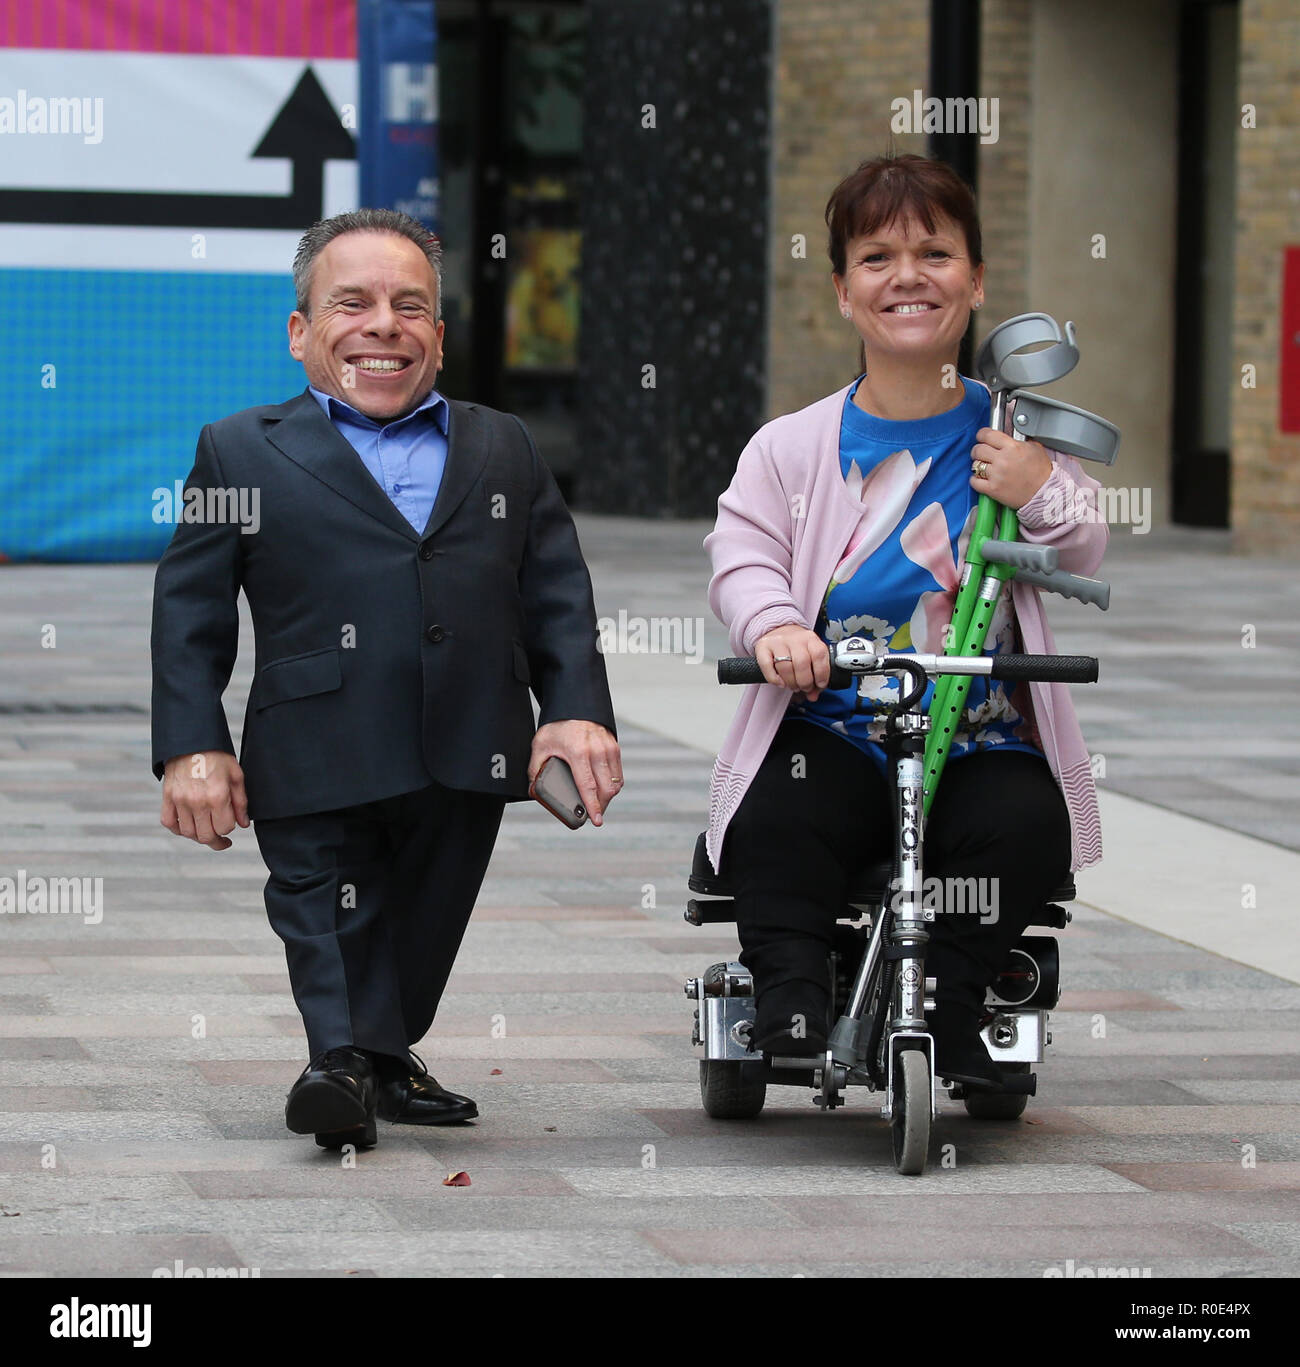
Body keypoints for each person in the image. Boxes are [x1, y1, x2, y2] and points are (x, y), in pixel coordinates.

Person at [151, 208, 622, 1148]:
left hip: (470, 740)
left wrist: (572, 712)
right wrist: (192, 744)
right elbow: (189, 609)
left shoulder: (504, 446)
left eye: (411, 306)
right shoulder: (239, 449)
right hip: (314, 741)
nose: (383, 324)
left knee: (420, 924)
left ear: (439, 338)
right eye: (351, 302)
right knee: (321, 905)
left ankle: (380, 1055)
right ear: (300, 332)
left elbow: (557, 596)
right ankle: (336, 1064)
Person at [704, 154, 1106, 1089]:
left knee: (1025, 827)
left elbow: (1085, 551)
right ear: (844, 290)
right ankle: (794, 990)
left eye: (936, 252)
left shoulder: (1013, 435)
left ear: (975, 280)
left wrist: (1041, 488)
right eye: (878, 257)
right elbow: (743, 553)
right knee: (778, 817)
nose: (908, 275)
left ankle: (956, 1005)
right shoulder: (793, 446)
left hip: (978, 736)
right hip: (837, 725)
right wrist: (773, 628)